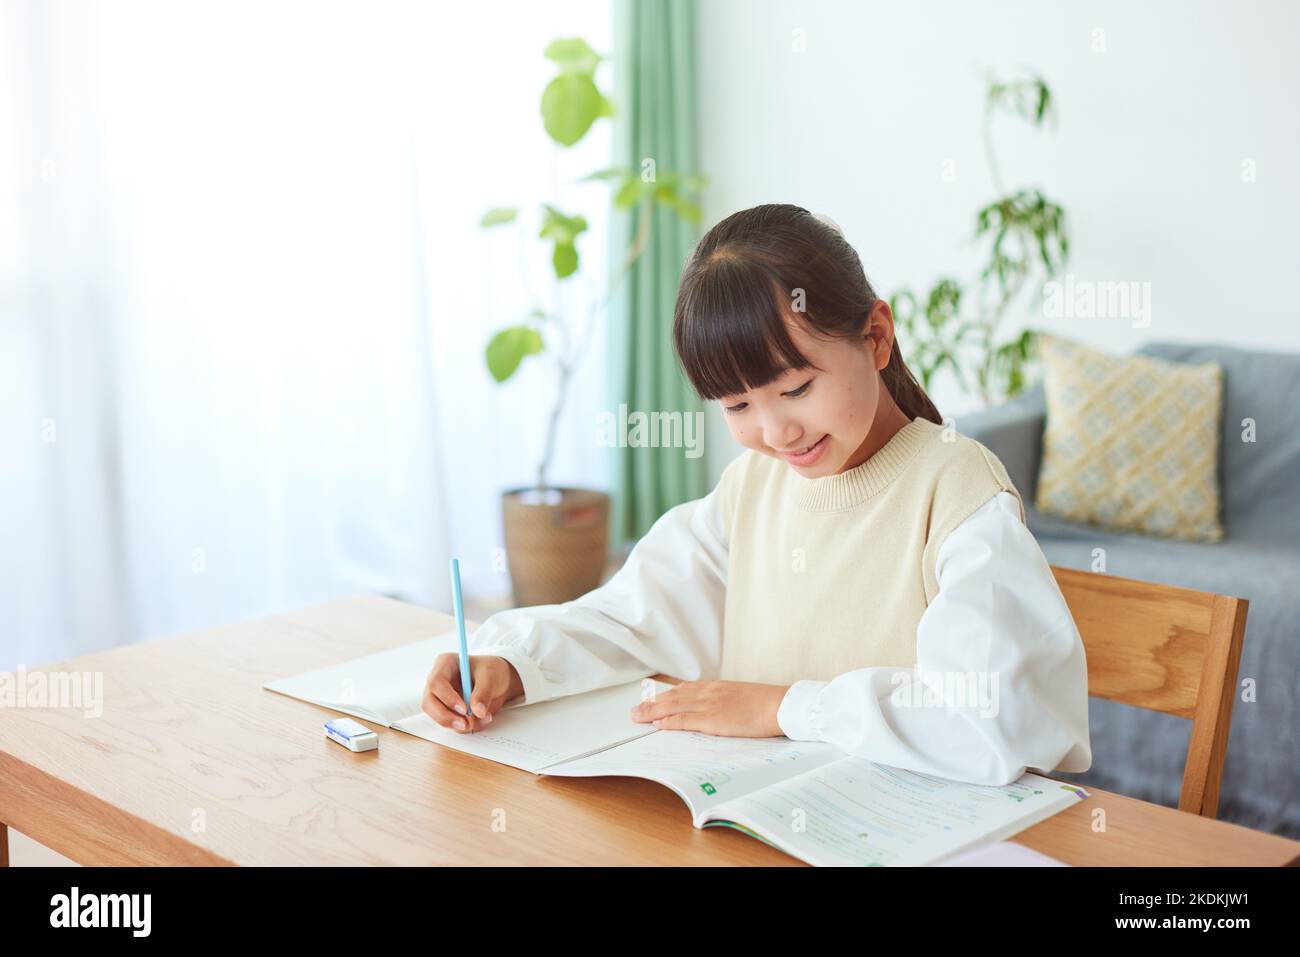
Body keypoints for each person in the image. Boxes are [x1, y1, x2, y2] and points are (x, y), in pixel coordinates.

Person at [421, 202, 1091, 787]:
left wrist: (781, 708)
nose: (776, 431)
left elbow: (994, 715)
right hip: (759, 824)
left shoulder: (958, 491)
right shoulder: (754, 486)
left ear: (876, 336)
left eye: (797, 387)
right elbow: (630, 617)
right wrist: (511, 660)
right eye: (738, 403)